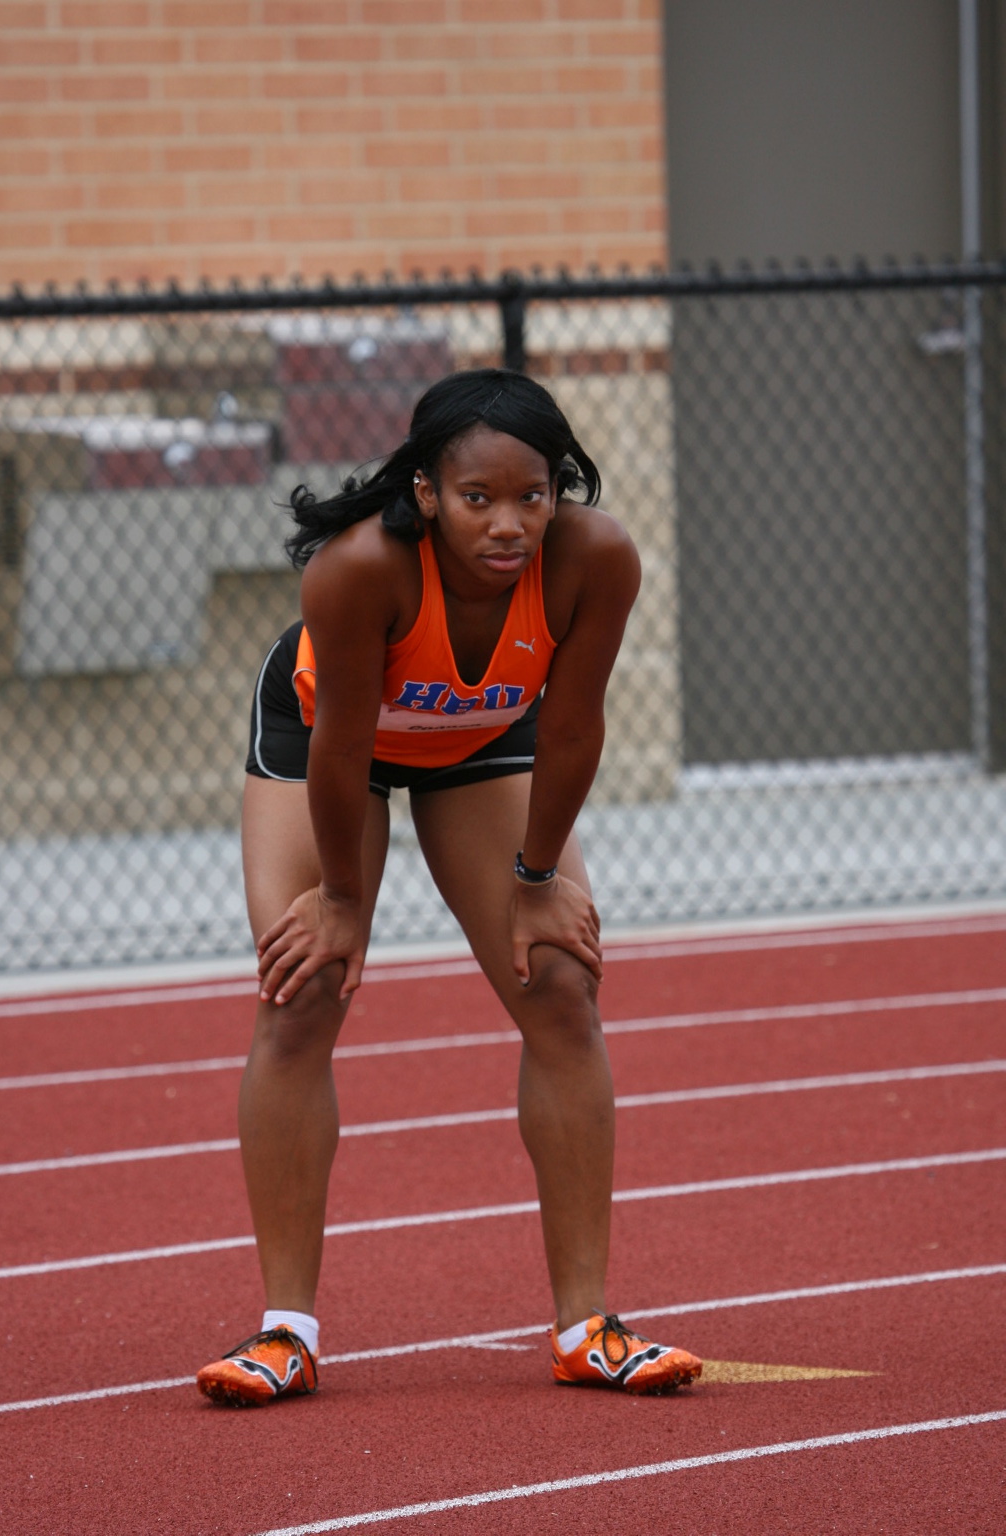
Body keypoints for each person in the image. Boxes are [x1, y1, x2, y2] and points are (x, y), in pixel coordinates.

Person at [196, 368, 702, 1406]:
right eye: (479, 499)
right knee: (303, 995)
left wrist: (534, 878)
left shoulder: (594, 560)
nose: (509, 523)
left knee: (560, 983)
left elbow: (569, 726)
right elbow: (341, 757)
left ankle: (585, 1326)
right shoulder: (357, 571)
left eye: (533, 494)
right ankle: (283, 1333)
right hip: (328, 744)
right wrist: (343, 898)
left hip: (486, 740)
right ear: (427, 492)